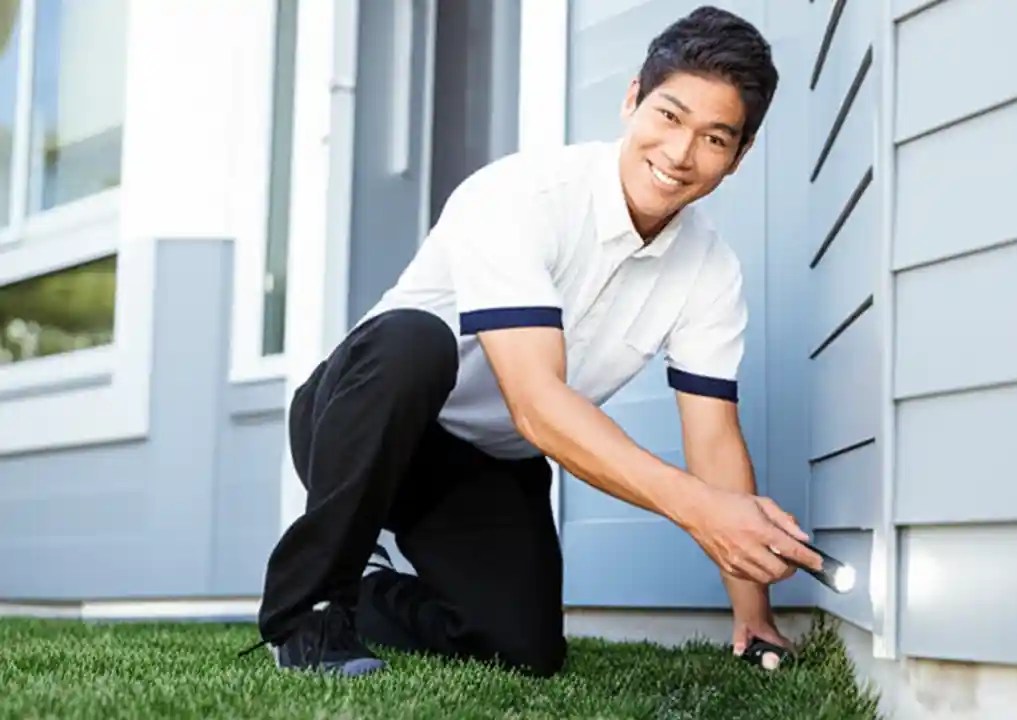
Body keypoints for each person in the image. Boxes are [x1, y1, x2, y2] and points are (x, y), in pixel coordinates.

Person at [247, 5, 822, 678]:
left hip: (479, 458)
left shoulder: (710, 270)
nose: (679, 154)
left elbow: (714, 439)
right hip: (366, 414)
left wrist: (752, 614)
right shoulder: (522, 194)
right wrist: (697, 511)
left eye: (715, 138)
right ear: (632, 99)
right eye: (669, 116)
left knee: (524, 650)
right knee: (416, 343)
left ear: (739, 155)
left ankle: (370, 585)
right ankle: (309, 609)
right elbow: (537, 404)